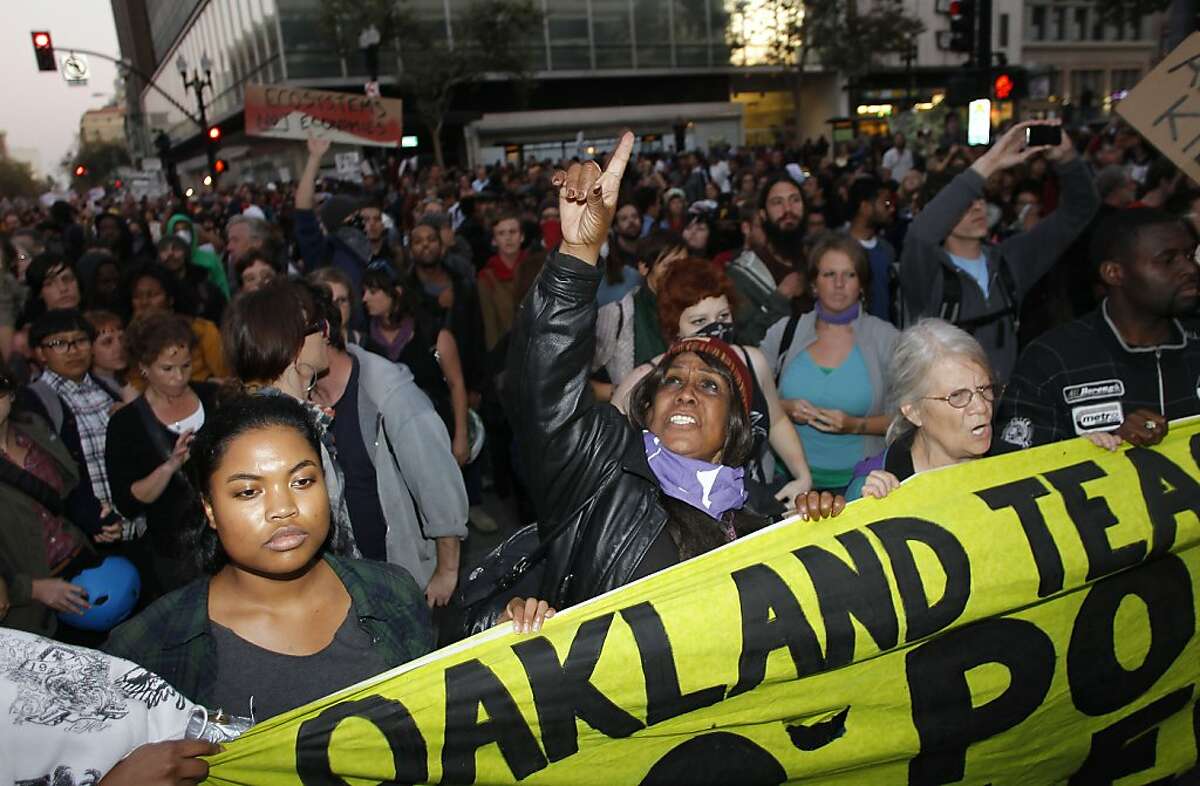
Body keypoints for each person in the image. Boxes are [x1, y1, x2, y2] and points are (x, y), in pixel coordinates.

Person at [503, 133, 840, 623]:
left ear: (734, 430)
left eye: (710, 386)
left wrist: (822, 526)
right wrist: (578, 254)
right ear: (647, 407)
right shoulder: (599, 484)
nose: (685, 389)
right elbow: (542, 391)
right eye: (672, 380)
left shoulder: (763, 522)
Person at [104, 395, 432, 718]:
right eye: (248, 492)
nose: (283, 509)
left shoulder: (394, 592)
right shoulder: (147, 649)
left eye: (302, 481)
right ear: (210, 509)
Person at [898, 121, 1099, 382]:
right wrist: (990, 161)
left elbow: (1080, 209)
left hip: (1002, 410)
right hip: (943, 412)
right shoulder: (926, 271)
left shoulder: (1009, 260)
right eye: (965, 204)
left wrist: (1068, 159)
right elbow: (921, 235)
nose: (977, 208)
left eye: (980, 199)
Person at [611, 261, 812, 511]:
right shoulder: (647, 378)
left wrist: (802, 476)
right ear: (674, 328)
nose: (715, 328)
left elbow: (777, 421)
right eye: (699, 321)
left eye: (723, 316)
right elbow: (608, 450)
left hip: (752, 505)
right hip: (672, 510)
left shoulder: (752, 362)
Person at [309, 287, 468, 602]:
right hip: (345, 586)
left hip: (403, 576)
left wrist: (446, 572)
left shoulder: (389, 394)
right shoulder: (303, 400)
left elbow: (436, 479)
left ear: (323, 332)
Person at [995, 208, 1200, 452]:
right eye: (1168, 260)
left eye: (1189, 255)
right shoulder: (1052, 359)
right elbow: (1018, 469)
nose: (1190, 269)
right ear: (1114, 273)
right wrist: (1107, 449)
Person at [221, 280, 359, 559]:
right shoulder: (280, 431)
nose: (326, 334)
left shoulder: (274, 413)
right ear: (293, 343)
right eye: (318, 327)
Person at [764, 235, 900, 494]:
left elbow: (911, 416)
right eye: (829, 274)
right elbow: (749, 394)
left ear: (861, 284)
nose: (839, 284)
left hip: (860, 486)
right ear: (814, 283)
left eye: (849, 275)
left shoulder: (887, 339)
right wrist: (783, 407)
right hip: (788, 483)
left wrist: (855, 425)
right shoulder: (785, 333)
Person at [105, 312, 218, 595]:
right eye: (167, 369)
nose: (179, 377)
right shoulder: (126, 424)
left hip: (229, 539)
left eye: (186, 366)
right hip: (174, 557)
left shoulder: (213, 399)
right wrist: (170, 466)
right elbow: (128, 502)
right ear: (144, 367)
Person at [0, 369, 112, 639]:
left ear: (11, 393)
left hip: (80, 569)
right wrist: (33, 589)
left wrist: (94, 517)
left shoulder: (34, 429)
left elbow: (68, 488)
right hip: (28, 605)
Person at [845, 319, 999, 501]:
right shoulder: (874, 491)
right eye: (958, 396)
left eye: (985, 388)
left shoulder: (1018, 465)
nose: (981, 406)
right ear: (913, 412)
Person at [361, 267, 471, 469]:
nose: (365, 298)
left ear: (397, 292)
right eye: (364, 291)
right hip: (388, 442)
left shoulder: (432, 334)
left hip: (434, 433)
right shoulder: (364, 342)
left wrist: (461, 436)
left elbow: (457, 384)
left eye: (373, 291)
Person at [592, 232, 687, 395]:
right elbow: (577, 378)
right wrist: (621, 393)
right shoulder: (617, 314)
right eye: (669, 265)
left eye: (684, 266)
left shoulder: (695, 311)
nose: (678, 273)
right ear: (643, 268)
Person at [726, 177, 809, 345]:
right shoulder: (743, 274)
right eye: (777, 202)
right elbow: (745, 340)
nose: (788, 209)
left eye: (795, 200)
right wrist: (780, 298)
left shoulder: (822, 259)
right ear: (763, 214)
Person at [294, 138, 372, 295]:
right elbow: (303, 210)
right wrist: (314, 158)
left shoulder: (374, 248)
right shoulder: (323, 252)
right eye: (354, 216)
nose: (363, 222)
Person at [126, 266, 227, 383]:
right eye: (137, 296)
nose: (144, 302)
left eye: (152, 295)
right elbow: (134, 383)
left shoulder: (202, 329)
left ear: (170, 299)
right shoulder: (128, 338)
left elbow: (226, 376)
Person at [846, 177, 898, 324]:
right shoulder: (839, 248)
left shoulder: (887, 249)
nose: (892, 209)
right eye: (886, 203)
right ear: (865, 207)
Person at [478, 211, 528, 351]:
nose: (508, 238)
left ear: (522, 236)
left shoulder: (537, 269)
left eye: (513, 232)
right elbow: (490, 327)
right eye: (501, 233)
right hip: (505, 354)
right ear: (494, 240)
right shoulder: (486, 278)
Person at [155, 235, 225, 324]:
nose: (170, 254)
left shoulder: (204, 288)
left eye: (176, 249)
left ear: (185, 253)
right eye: (164, 250)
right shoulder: (156, 287)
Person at [84, 310, 139, 404]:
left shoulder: (133, 377)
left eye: (121, 339)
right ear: (89, 348)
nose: (119, 347)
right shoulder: (89, 391)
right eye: (107, 342)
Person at [307, 266, 364, 346]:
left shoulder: (369, 348)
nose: (335, 308)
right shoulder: (298, 347)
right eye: (327, 300)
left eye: (341, 300)